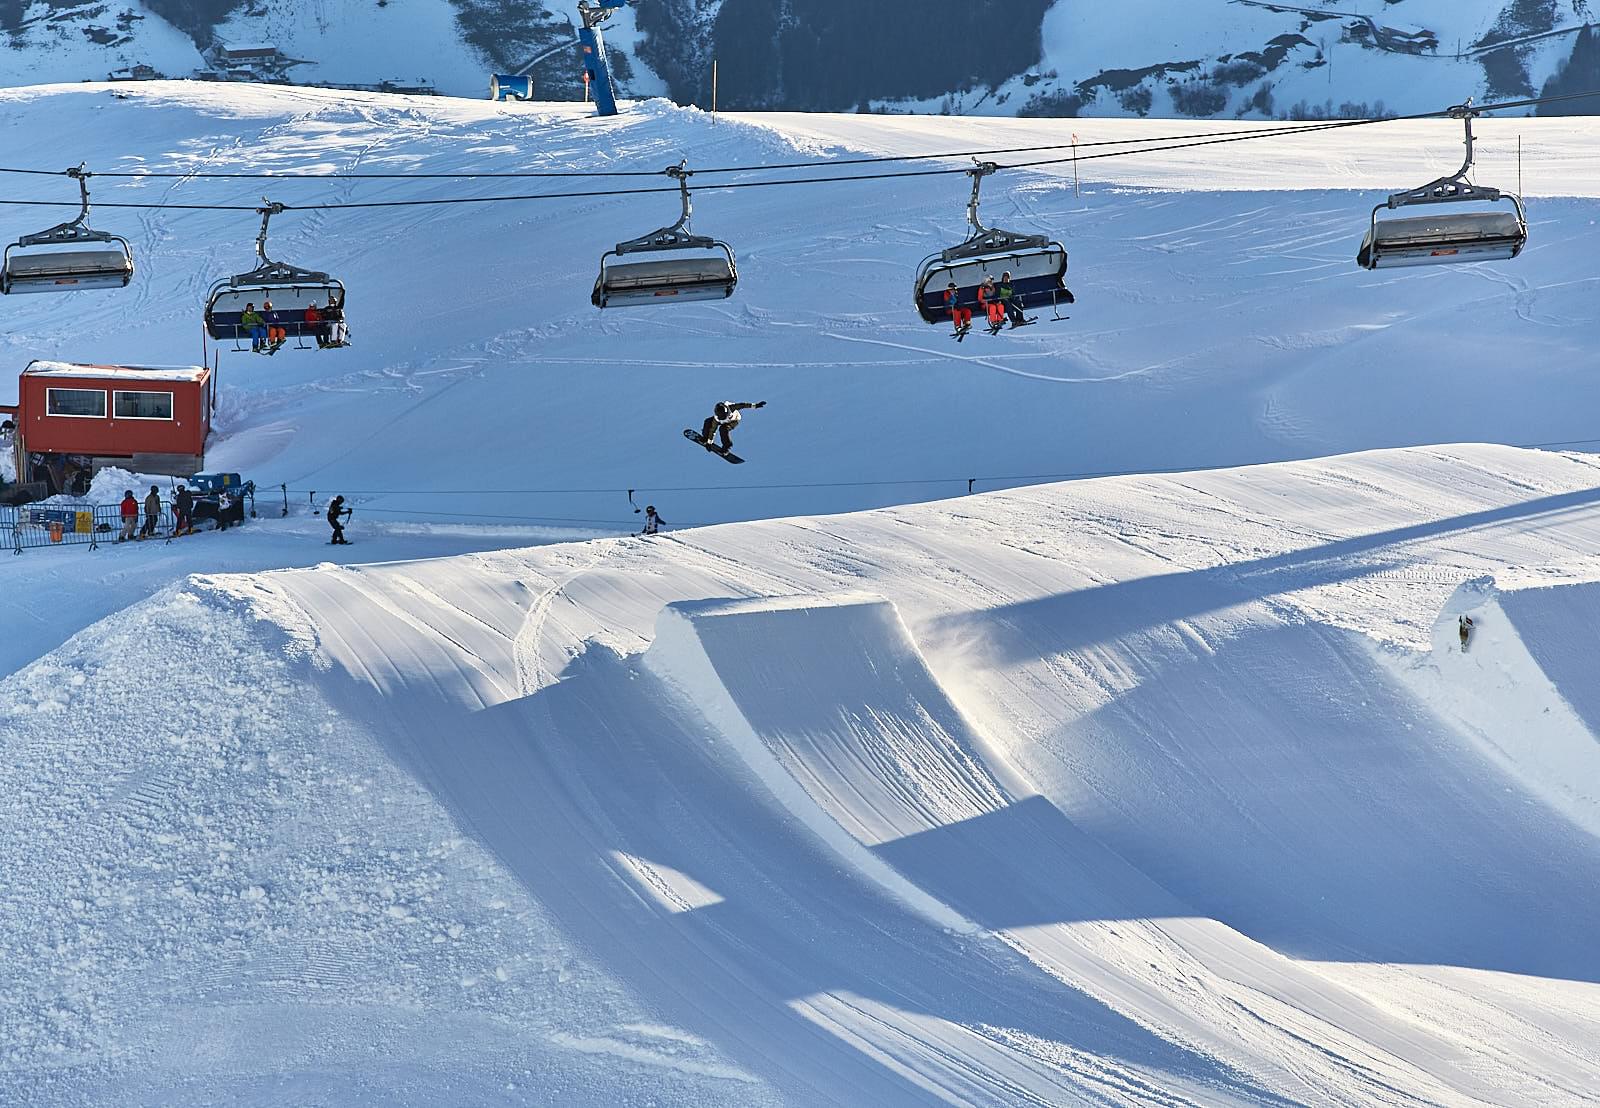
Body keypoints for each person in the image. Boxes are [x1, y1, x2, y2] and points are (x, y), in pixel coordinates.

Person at [699, 400, 766, 453]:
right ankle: (705, 437)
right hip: (722, 422)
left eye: (723, 416)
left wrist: (756, 405)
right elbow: (713, 430)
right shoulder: (716, 419)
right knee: (708, 422)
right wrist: (709, 443)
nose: (722, 417)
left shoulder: (731, 407)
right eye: (721, 417)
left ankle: (726, 447)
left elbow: (743, 405)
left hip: (734, 421)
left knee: (723, 429)